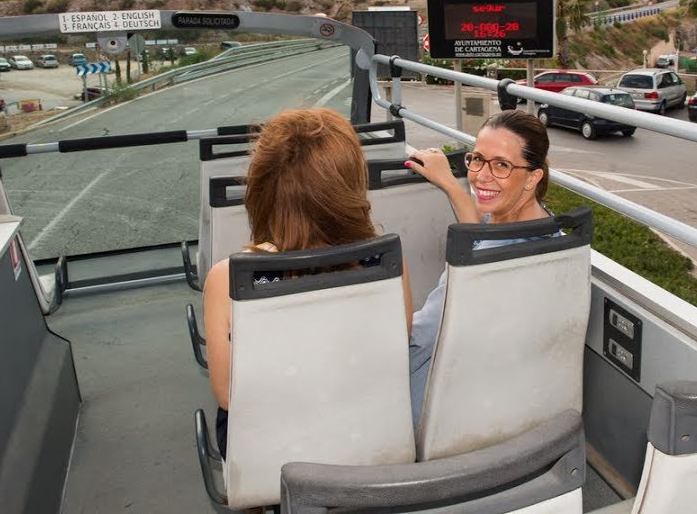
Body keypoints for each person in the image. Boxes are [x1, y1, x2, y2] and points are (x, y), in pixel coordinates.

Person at [202, 108, 413, 459]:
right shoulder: (386, 262)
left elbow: (228, 395)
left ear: (262, 188)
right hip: (366, 428)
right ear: (350, 187)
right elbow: (396, 347)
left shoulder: (230, 279)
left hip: (273, 454)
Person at [404, 109, 560, 423]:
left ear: (533, 177)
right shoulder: (548, 232)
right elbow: (485, 236)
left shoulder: (481, 269)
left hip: (443, 410)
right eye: (477, 159)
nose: (480, 176)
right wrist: (450, 184)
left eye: (501, 165)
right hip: (510, 393)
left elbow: (417, 341)